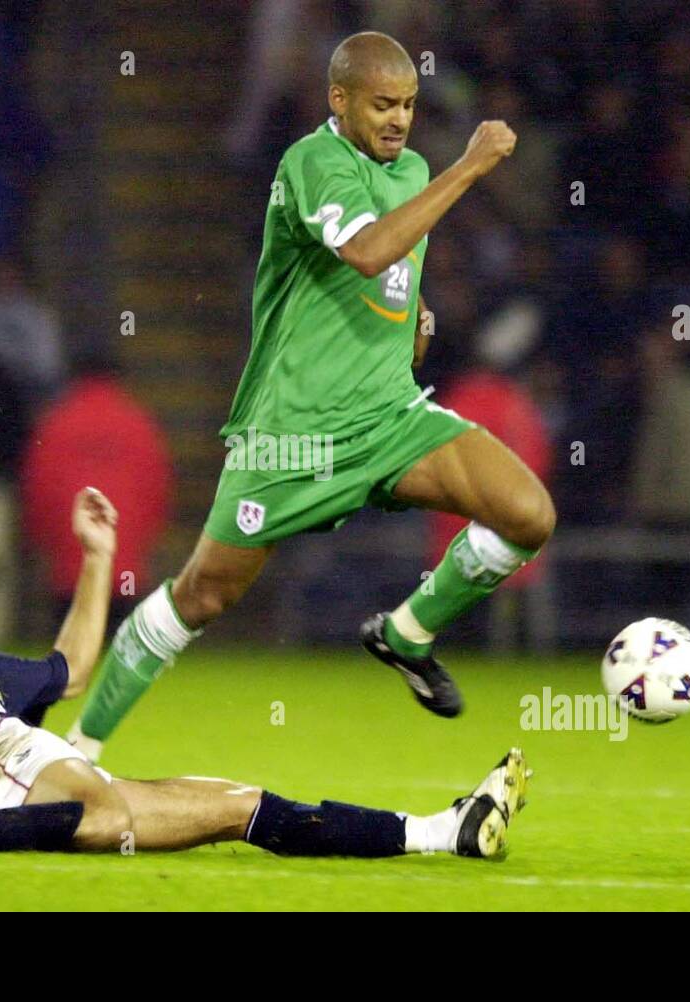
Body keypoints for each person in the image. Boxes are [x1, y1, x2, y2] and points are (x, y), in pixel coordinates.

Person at [0, 382, 531, 859]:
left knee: (234, 803)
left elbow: (70, 670)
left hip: (13, 754)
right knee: (101, 818)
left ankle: (439, 833)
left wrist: (98, 559)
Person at [69, 31, 555, 760]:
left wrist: (414, 316)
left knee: (528, 514)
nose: (399, 120)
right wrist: (470, 168)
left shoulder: (412, 167)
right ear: (339, 99)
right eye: (383, 104)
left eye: (410, 106)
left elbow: (388, 273)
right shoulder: (312, 163)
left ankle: (407, 633)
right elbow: (364, 251)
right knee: (203, 595)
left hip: (389, 419)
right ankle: (77, 750)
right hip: (291, 435)